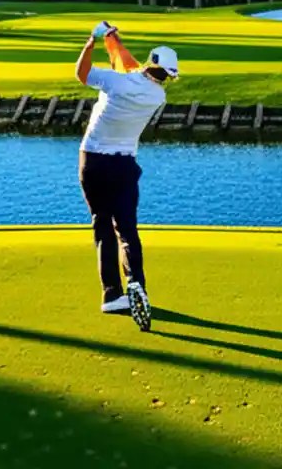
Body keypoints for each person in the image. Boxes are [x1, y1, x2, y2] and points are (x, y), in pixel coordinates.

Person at [74, 20, 178, 332]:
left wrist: (93, 42)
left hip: (91, 162)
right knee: (127, 231)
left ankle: (111, 295)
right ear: (167, 76)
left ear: (150, 64)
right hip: (123, 166)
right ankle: (137, 285)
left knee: (102, 226)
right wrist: (113, 39)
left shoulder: (115, 83)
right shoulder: (157, 98)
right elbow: (128, 65)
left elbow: (82, 74)